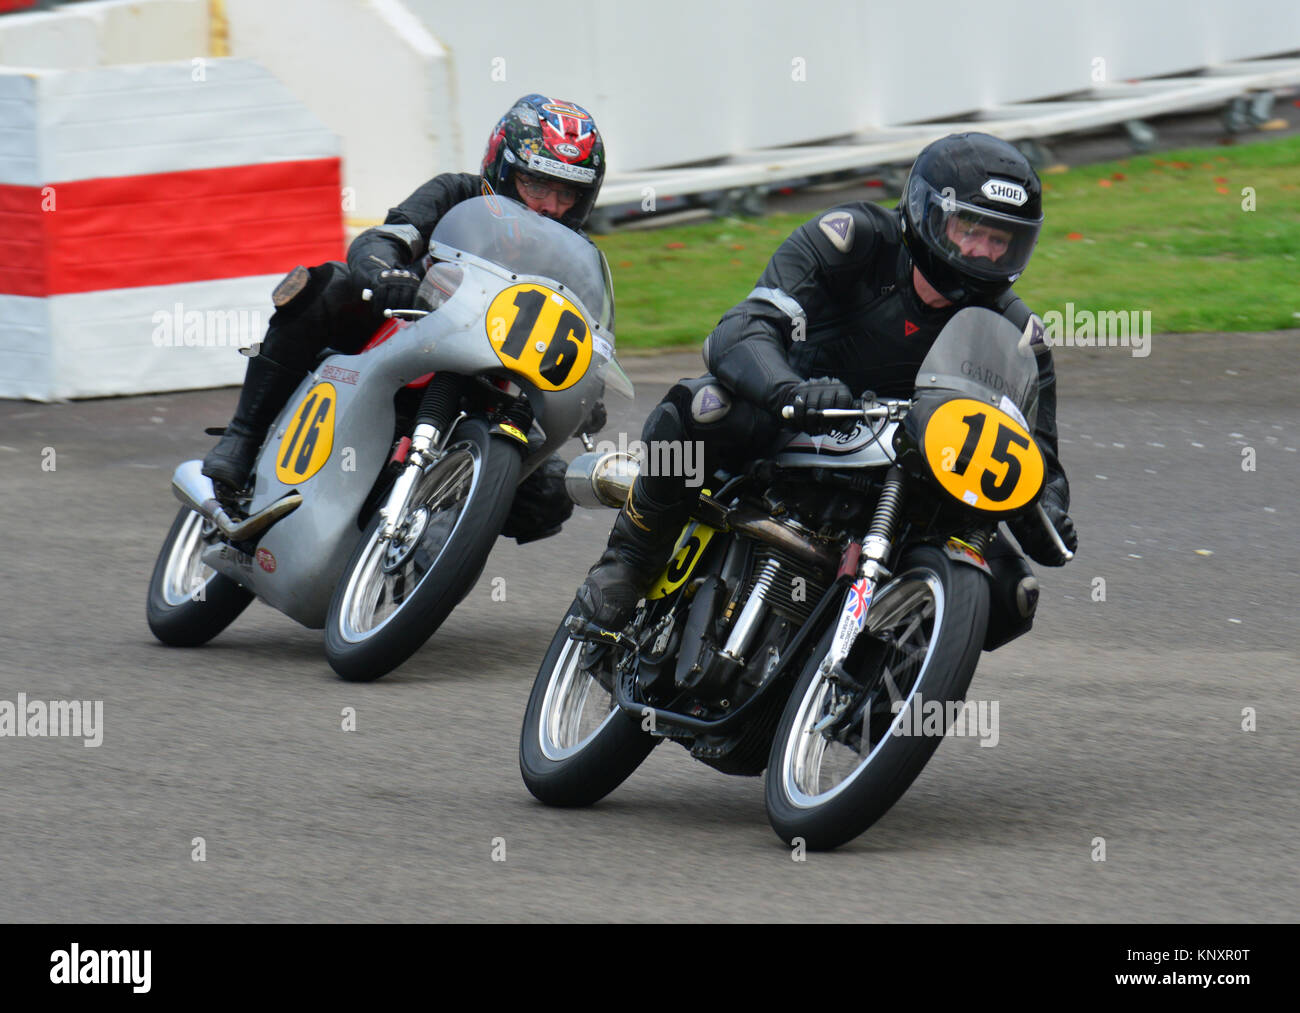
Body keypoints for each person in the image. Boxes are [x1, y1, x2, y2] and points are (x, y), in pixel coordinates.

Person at [576, 132, 1078, 647]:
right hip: (793, 423)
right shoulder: (852, 237)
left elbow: (1038, 454)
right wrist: (789, 391)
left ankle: (879, 694)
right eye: (971, 229)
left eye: (1002, 241)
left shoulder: (1020, 334)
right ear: (930, 214)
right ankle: (629, 562)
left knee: (1011, 595)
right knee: (702, 407)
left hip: (910, 470)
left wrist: (1046, 509)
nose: (984, 252)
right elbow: (739, 331)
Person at [201, 93, 607, 542]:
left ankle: (438, 534)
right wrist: (387, 270)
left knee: (548, 496)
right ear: (504, 170)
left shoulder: (576, 257)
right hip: (405, 330)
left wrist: (585, 388)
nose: (550, 205)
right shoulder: (456, 193)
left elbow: (588, 331)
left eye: (566, 193)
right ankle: (242, 437)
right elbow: (387, 236)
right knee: (326, 286)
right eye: (536, 185)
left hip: (494, 379)